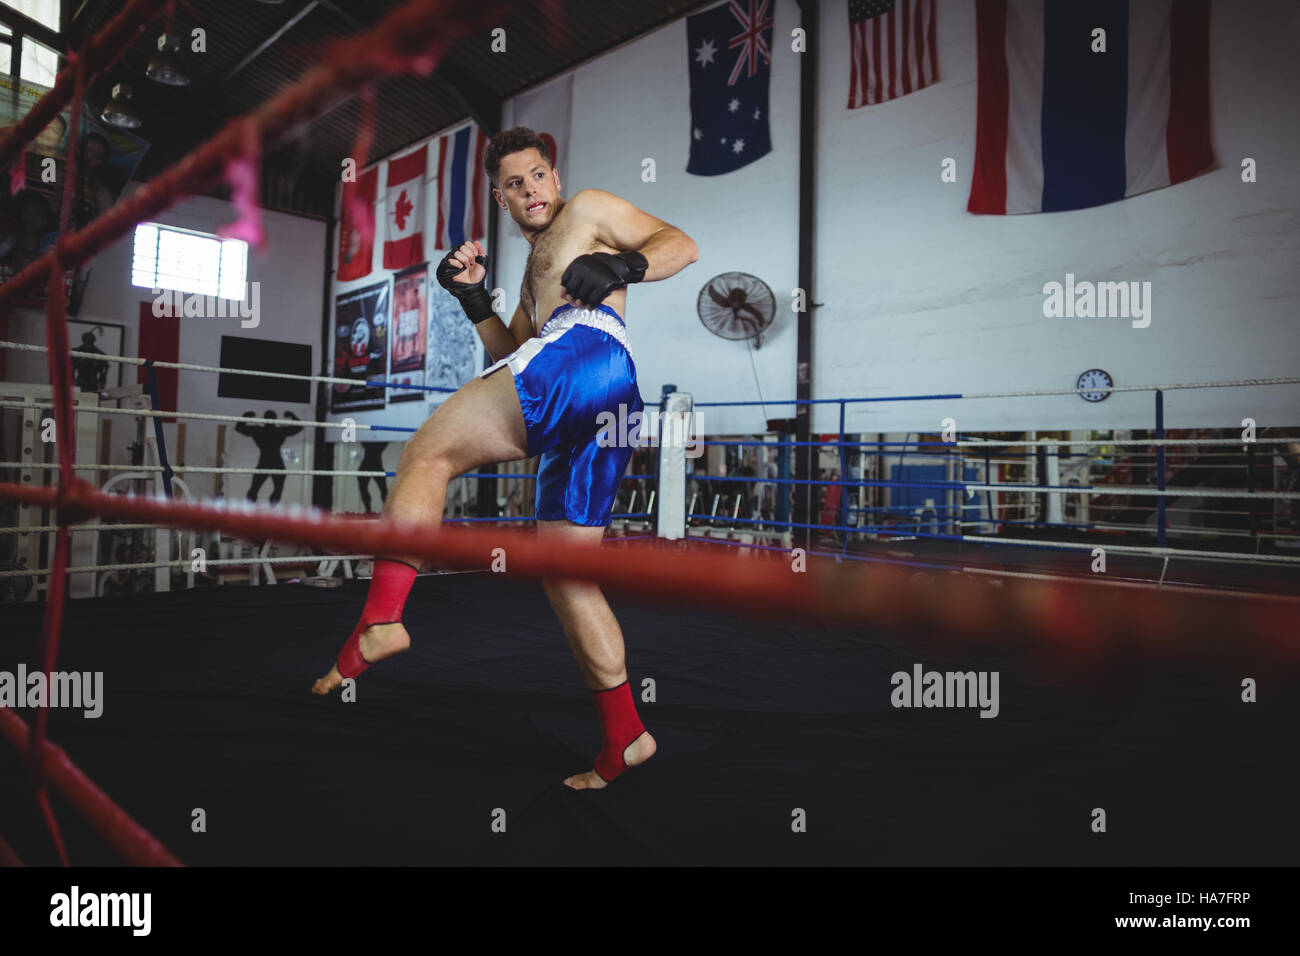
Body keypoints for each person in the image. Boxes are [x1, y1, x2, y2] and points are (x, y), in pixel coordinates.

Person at [312, 127, 699, 790]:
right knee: (568, 576)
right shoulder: (530, 275)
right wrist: (469, 296)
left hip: (587, 356)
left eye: (538, 175)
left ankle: (380, 621)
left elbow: (680, 246)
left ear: (555, 176)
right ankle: (626, 734)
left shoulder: (589, 210)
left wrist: (624, 266)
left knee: (428, 453)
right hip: (599, 396)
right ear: (502, 198)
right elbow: (512, 350)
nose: (531, 190)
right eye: (516, 184)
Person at [235, 410, 303, 505]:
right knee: (275, 489)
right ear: (275, 420)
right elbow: (299, 427)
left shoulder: (259, 431)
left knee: (256, 488)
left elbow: (239, 427)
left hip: (265, 462)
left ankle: (253, 508)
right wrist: (292, 416)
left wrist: (246, 416)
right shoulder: (279, 431)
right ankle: (266, 508)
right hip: (276, 463)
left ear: (264, 419)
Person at [357, 441, 389, 513]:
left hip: (374, 466)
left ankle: (386, 510)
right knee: (364, 489)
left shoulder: (381, 440)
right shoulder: (370, 440)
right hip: (370, 466)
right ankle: (368, 510)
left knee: (383, 490)